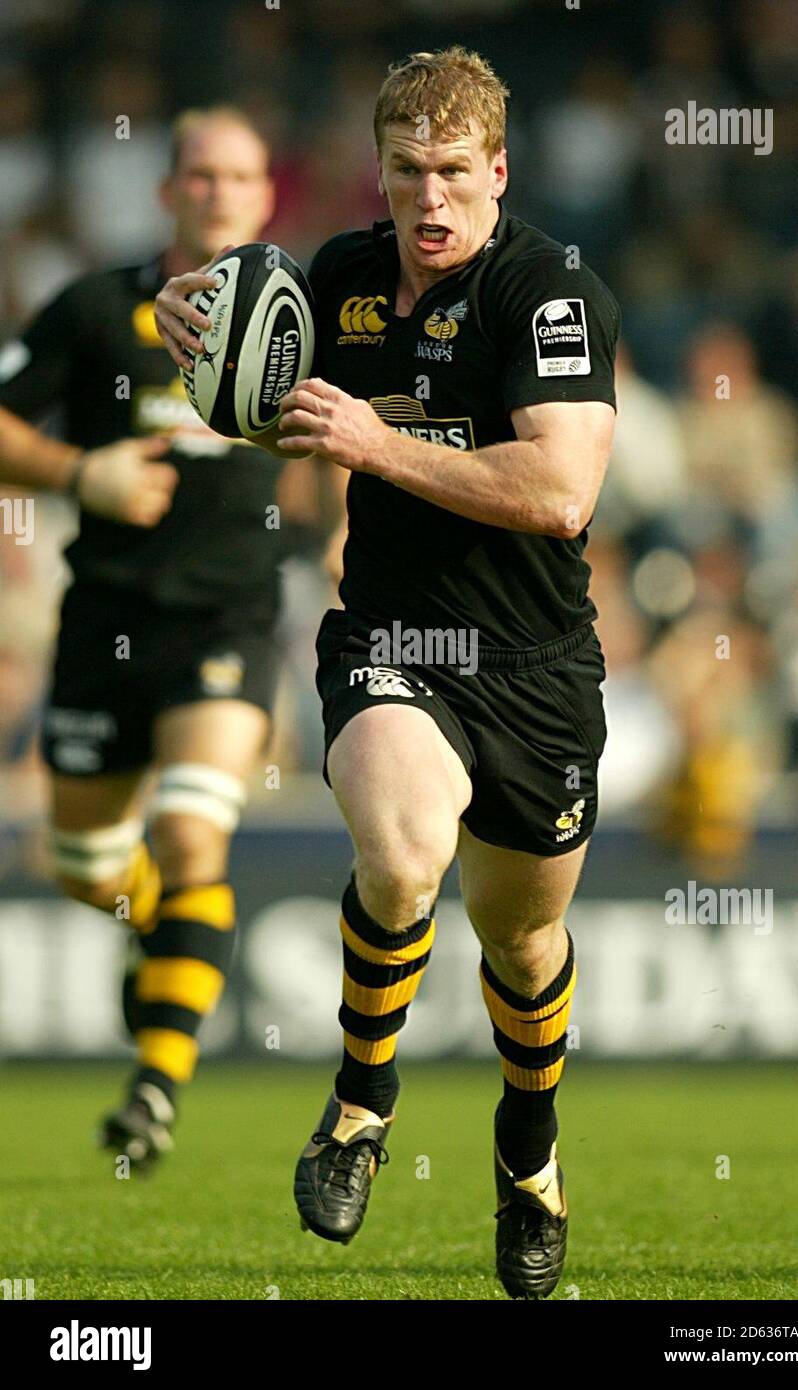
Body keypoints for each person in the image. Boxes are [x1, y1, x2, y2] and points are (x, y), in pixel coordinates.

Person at [156, 49, 619, 1300]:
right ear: (381, 169)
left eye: (456, 174)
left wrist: (378, 442)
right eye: (409, 171)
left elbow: (561, 491)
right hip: (394, 639)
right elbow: (256, 390)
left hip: (535, 664)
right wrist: (189, 335)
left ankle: (529, 1155)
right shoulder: (344, 280)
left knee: (524, 944)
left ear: (499, 172)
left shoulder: (552, 293)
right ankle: (362, 1102)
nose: (431, 199)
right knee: (405, 851)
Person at [0, 105, 292, 1172]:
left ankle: (154, 1089)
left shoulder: (303, 318)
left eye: (241, 176)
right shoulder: (93, 309)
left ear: (268, 196)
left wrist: (348, 521)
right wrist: (84, 473)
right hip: (105, 620)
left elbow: (360, 430)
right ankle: (161, 927)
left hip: (229, 616)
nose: (219, 192)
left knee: (192, 830)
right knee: (84, 867)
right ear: (169, 191)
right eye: (201, 175)